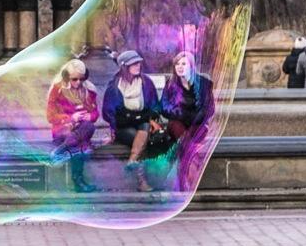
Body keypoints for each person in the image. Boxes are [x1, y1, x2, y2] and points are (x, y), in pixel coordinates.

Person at [102, 50, 161, 192]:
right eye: (133, 64)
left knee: (145, 128)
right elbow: (110, 113)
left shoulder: (146, 83)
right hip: (123, 127)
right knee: (141, 138)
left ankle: (133, 161)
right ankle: (141, 180)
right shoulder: (114, 87)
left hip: (144, 124)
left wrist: (148, 117)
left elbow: (155, 106)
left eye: (138, 63)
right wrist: (136, 117)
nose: (137, 66)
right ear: (124, 66)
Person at [46, 58, 99, 193]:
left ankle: (60, 150)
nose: (78, 82)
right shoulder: (57, 90)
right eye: (74, 79)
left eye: (81, 79)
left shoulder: (89, 90)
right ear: (66, 77)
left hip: (81, 129)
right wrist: (71, 118)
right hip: (63, 131)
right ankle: (78, 182)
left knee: (89, 126)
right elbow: (50, 117)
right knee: (80, 144)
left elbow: (95, 112)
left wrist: (90, 116)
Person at [160, 51, 214, 142]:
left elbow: (209, 108)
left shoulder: (204, 84)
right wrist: (180, 114)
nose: (180, 66)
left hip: (197, 123)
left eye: (184, 64)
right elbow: (164, 106)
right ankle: (188, 151)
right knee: (178, 129)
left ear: (191, 66)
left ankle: (185, 150)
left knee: (195, 132)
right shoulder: (170, 84)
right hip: (178, 122)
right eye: (177, 64)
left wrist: (195, 118)